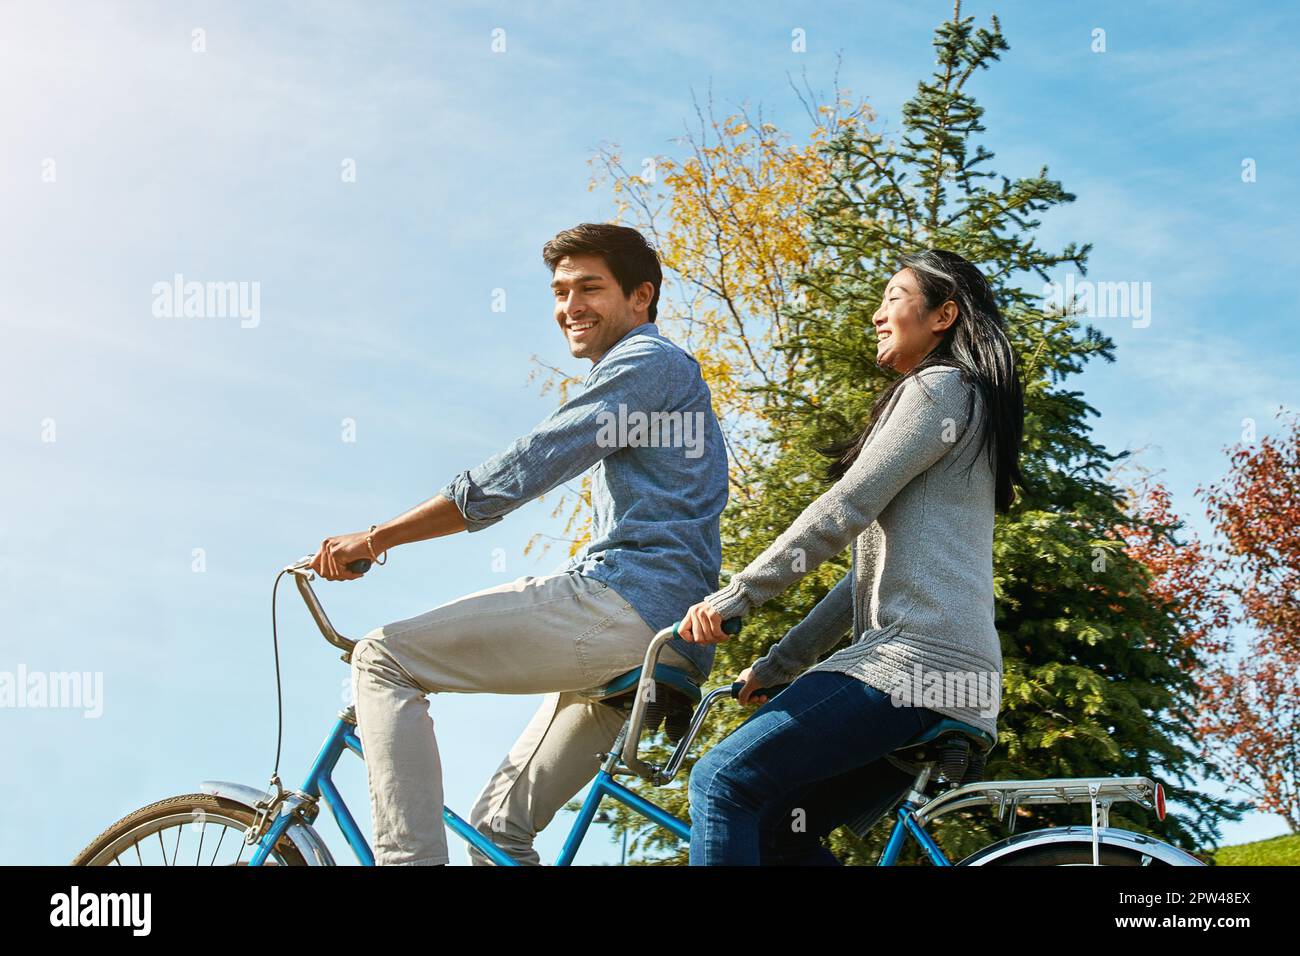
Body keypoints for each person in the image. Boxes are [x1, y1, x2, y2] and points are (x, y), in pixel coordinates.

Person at [309, 223, 729, 865]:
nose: (570, 306)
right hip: (664, 647)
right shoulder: (665, 378)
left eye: (590, 287)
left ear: (641, 296)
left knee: (382, 659)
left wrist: (375, 539)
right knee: (497, 835)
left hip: (624, 606)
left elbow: (525, 468)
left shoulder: (649, 364)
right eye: (560, 291)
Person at [677, 248, 1025, 865]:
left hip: (914, 666)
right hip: (957, 680)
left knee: (722, 780)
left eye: (894, 297)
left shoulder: (940, 386)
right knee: (782, 826)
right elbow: (861, 580)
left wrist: (738, 595)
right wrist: (782, 663)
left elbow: (847, 505)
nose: (876, 314)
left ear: (944, 315)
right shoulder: (967, 407)